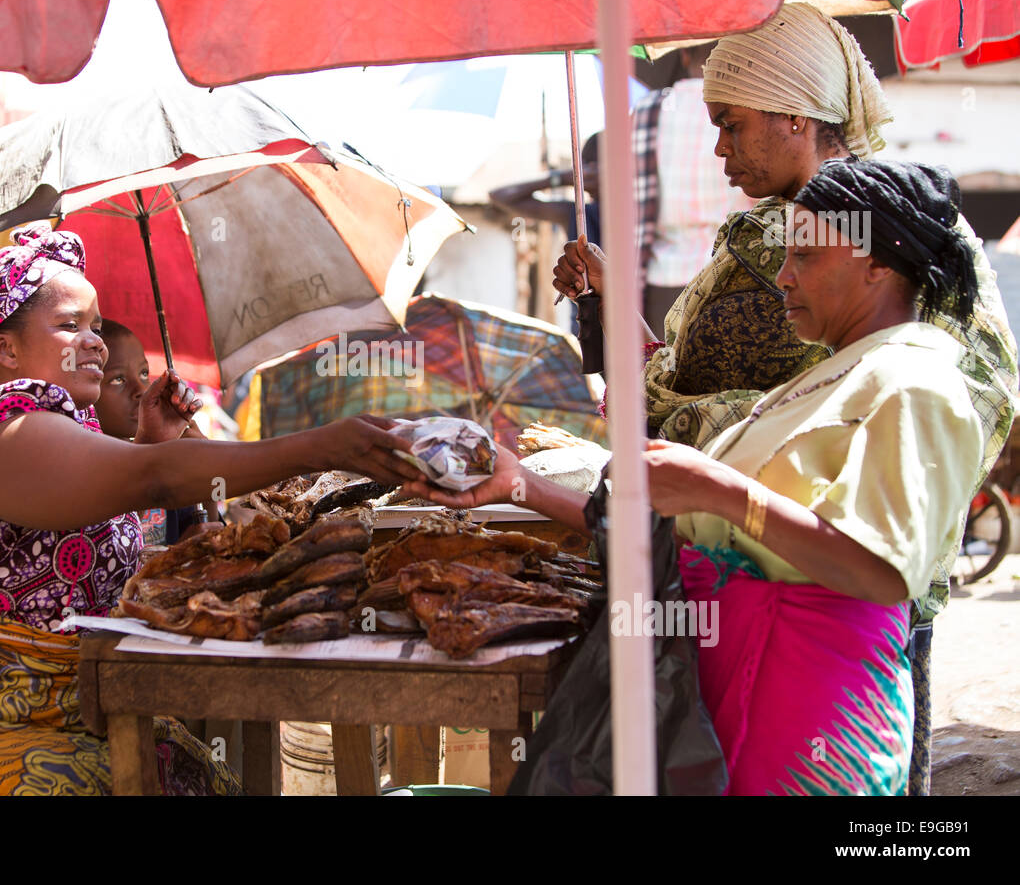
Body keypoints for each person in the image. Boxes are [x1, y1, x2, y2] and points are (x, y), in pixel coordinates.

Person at [551, 2, 1019, 794]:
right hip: (741, 590)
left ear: (797, 116)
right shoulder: (779, 236)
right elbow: (692, 378)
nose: (719, 147)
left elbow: (855, 412)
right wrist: (613, 304)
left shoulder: (876, 238)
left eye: (731, 123)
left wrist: (711, 464)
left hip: (835, 588)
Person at [411, 159, 987, 794]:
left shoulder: (915, 383)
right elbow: (673, 531)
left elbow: (884, 570)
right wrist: (518, 486)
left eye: (806, 257)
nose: (784, 277)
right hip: (724, 709)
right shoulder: (830, 377)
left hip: (813, 727)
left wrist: (726, 492)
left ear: (877, 262)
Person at [0, 222, 423, 796]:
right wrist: (321, 444)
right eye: (69, 326)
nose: (94, 344)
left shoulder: (58, 429)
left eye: (95, 325)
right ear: (3, 347)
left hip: (43, 714)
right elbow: (156, 481)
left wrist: (151, 442)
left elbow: (135, 480)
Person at [630, 44, 755, 334]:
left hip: (663, 280)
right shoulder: (745, 110)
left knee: (665, 372)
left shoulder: (646, 110)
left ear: (684, 55)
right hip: (734, 275)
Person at [94, 317, 221, 545]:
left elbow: (209, 529)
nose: (141, 390)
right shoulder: (88, 471)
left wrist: (205, 465)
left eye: (144, 374)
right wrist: (176, 554)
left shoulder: (165, 463)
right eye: (118, 379)